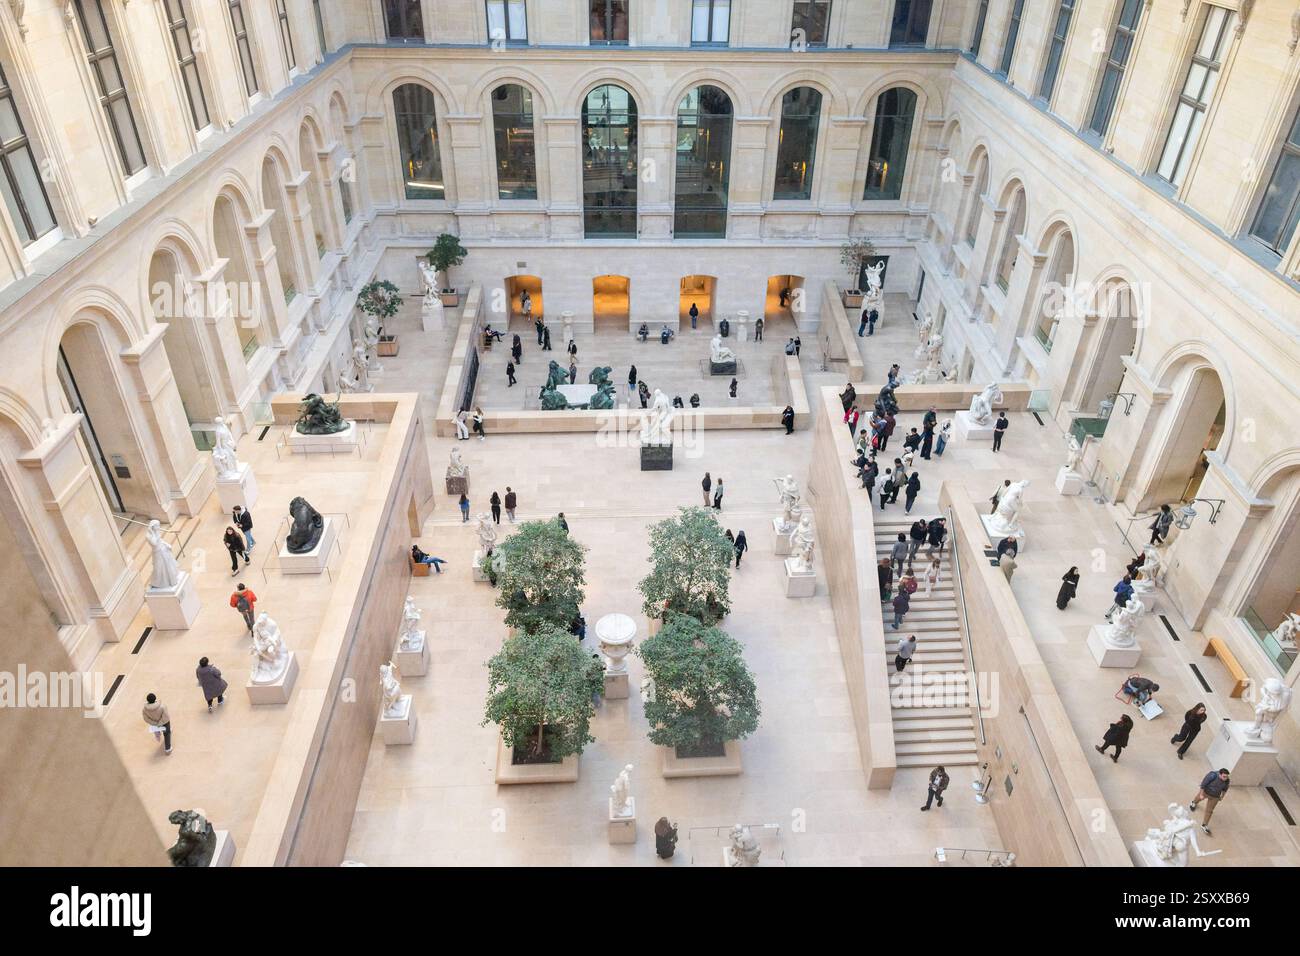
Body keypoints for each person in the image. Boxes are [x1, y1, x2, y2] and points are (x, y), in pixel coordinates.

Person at [1189, 769, 1230, 834]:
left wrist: (1222, 797)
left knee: (1209, 811)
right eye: (1224, 776)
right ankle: (1193, 803)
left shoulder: (1227, 780)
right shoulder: (1212, 775)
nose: (1225, 778)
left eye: (1226, 777)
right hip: (1206, 792)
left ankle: (1204, 825)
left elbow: (1225, 789)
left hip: (1215, 796)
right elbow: (1203, 785)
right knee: (1198, 798)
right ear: (1219, 774)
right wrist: (1202, 794)